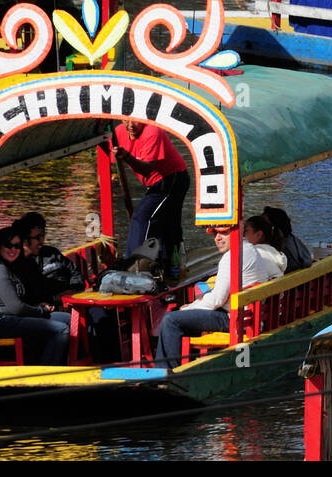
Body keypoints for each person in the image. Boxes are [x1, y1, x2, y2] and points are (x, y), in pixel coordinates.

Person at [154, 221, 283, 369]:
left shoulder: (233, 256)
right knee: (187, 313)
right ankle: (186, 364)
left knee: (171, 320)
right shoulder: (249, 250)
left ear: (237, 232)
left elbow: (217, 299)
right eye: (215, 233)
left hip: (235, 320)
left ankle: (165, 372)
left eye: (224, 233)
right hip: (246, 316)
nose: (217, 238)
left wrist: (187, 308)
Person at [0, 227, 71, 365]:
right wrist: (41, 311)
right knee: (61, 330)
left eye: (17, 246)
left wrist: (38, 308)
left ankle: (67, 364)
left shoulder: (6, 266)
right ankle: (45, 375)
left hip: (10, 319)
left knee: (69, 320)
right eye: (8, 245)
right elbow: (16, 307)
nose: (13, 250)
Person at [111, 120, 190, 271]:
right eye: (126, 121)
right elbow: (111, 159)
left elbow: (146, 169)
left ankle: (135, 263)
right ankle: (169, 263)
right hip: (156, 183)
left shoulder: (153, 131)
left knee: (142, 217)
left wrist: (127, 156)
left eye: (134, 121)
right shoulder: (118, 133)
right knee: (167, 224)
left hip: (172, 178)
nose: (130, 126)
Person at [260, 206, 313, 271]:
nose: (259, 227)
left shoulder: (280, 249)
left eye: (263, 224)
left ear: (273, 228)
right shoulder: (293, 239)